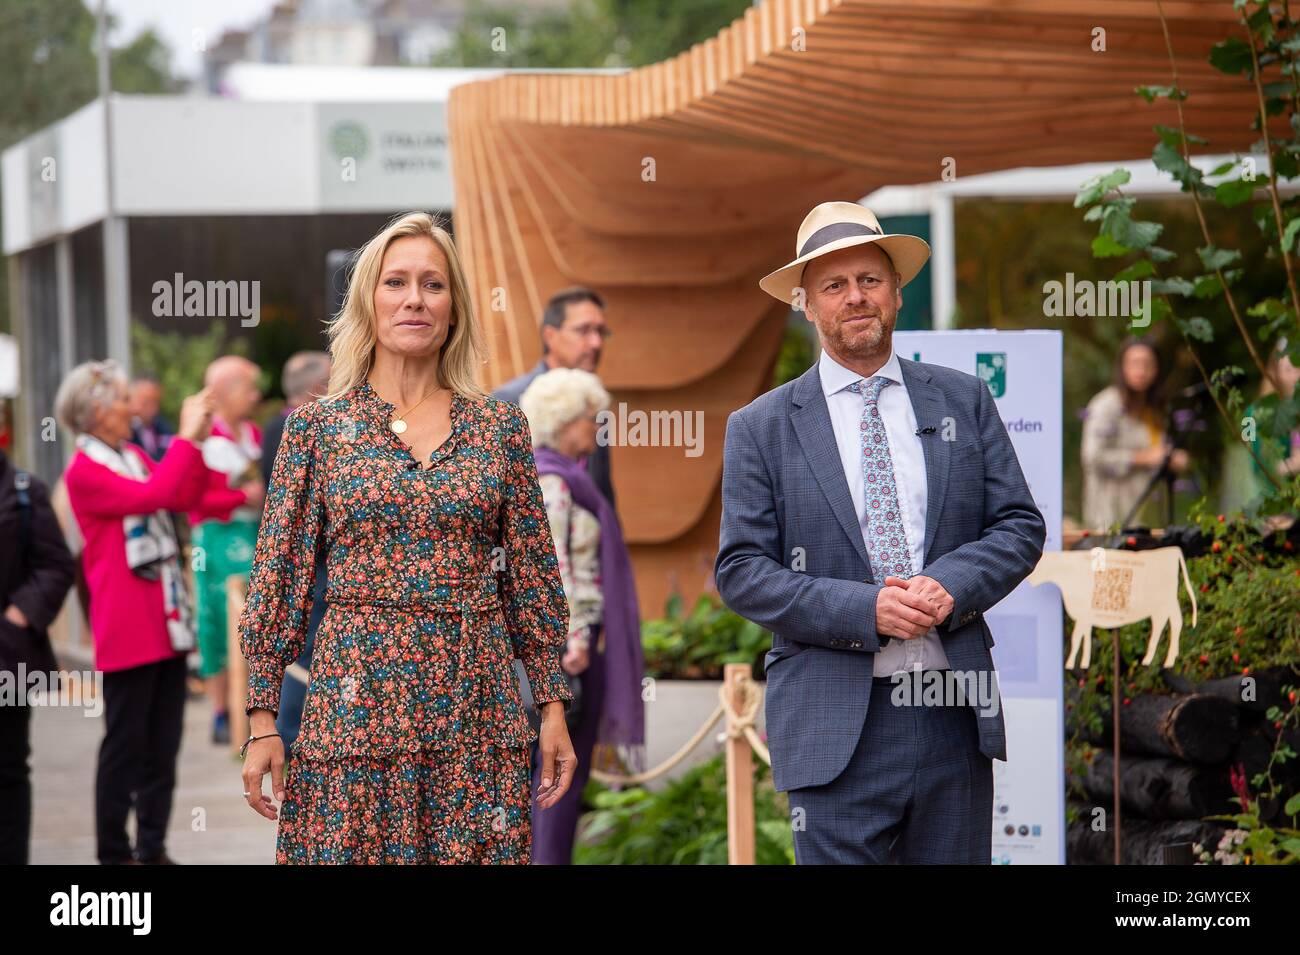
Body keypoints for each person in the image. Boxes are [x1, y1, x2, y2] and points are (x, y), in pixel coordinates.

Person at [238, 211, 576, 864]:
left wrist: (553, 703)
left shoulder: (499, 429)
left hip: (473, 711)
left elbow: (532, 578)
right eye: (396, 282)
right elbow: (277, 580)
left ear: (454, 307)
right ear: (369, 299)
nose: (415, 298)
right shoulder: (317, 431)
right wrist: (261, 720)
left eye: (433, 284)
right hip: (353, 711)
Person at [715, 201, 1046, 864]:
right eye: (834, 285)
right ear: (806, 304)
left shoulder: (963, 399)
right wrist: (865, 608)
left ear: (896, 292)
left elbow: (1019, 524)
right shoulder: (761, 427)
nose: (855, 297)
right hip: (834, 730)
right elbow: (742, 570)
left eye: (869, 279)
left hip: (952, 717)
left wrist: (951, 583)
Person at [58, 360, 216, 864]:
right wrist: (185, 441)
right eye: (124, 401)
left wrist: (198, 443)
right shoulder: (86, 471)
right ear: (97, 412)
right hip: (128, 626)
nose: (133, 409)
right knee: (126, 746)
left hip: (165, 621)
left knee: (163, 746)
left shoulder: (130, 455)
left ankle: (153, 847)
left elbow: (185, 496)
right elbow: (158, 494)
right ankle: (112, 851)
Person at [518, 368, 645, 864]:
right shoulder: (553, 479)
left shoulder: (559, 474)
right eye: (591, 419)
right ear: (564, 421)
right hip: (564, 658)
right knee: (555, 778)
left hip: (568, 650)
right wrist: (566, 651)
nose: (596, 429)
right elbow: (553, 572)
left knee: (556, 777)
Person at [0, 444, 76, 865]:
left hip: (6, 659)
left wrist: (17, 617)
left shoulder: (25, 490)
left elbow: (56, 565)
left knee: (8, 771)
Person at [190, 355, 265, 745]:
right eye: (248, 387)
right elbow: (195, 501)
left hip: (251, 534)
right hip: (216, 541)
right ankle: (222, 711)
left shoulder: (251, 432)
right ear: (228, 392)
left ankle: (253, 706)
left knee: (255, 620)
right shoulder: (204, 436)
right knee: (217, 621)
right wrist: (241, 494)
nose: (255, 395)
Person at [260, 351, 332, 756]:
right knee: (302, 649)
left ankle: (291, 733)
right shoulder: (297, 427)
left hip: (305, 558)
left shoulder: (278, 425)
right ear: (316, 388)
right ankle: (289, 734)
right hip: (308, 560)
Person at [493, 287, 616, 506]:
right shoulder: (507, 402)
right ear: (550, 335)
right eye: (584, 330)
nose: (597, 343)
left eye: (600, 332)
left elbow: (602, 494)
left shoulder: (595, 405)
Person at [1080, 338, 1189, 530]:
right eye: (1134, 363)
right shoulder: (1106, 405)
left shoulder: (1156, 409)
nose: (1141, 370)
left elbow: (1157, 455)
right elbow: (1092, 457)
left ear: (1156, 370)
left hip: (1148, 519)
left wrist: (1170, 459)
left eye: (1147, 364)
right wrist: (1144, 458)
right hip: (1110, 520)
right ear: (1122, 367)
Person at [128, 374, 174, 462]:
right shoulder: (126, 431)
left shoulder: (164, 428)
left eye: (156, 402)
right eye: (146, 402)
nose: (153, 408)